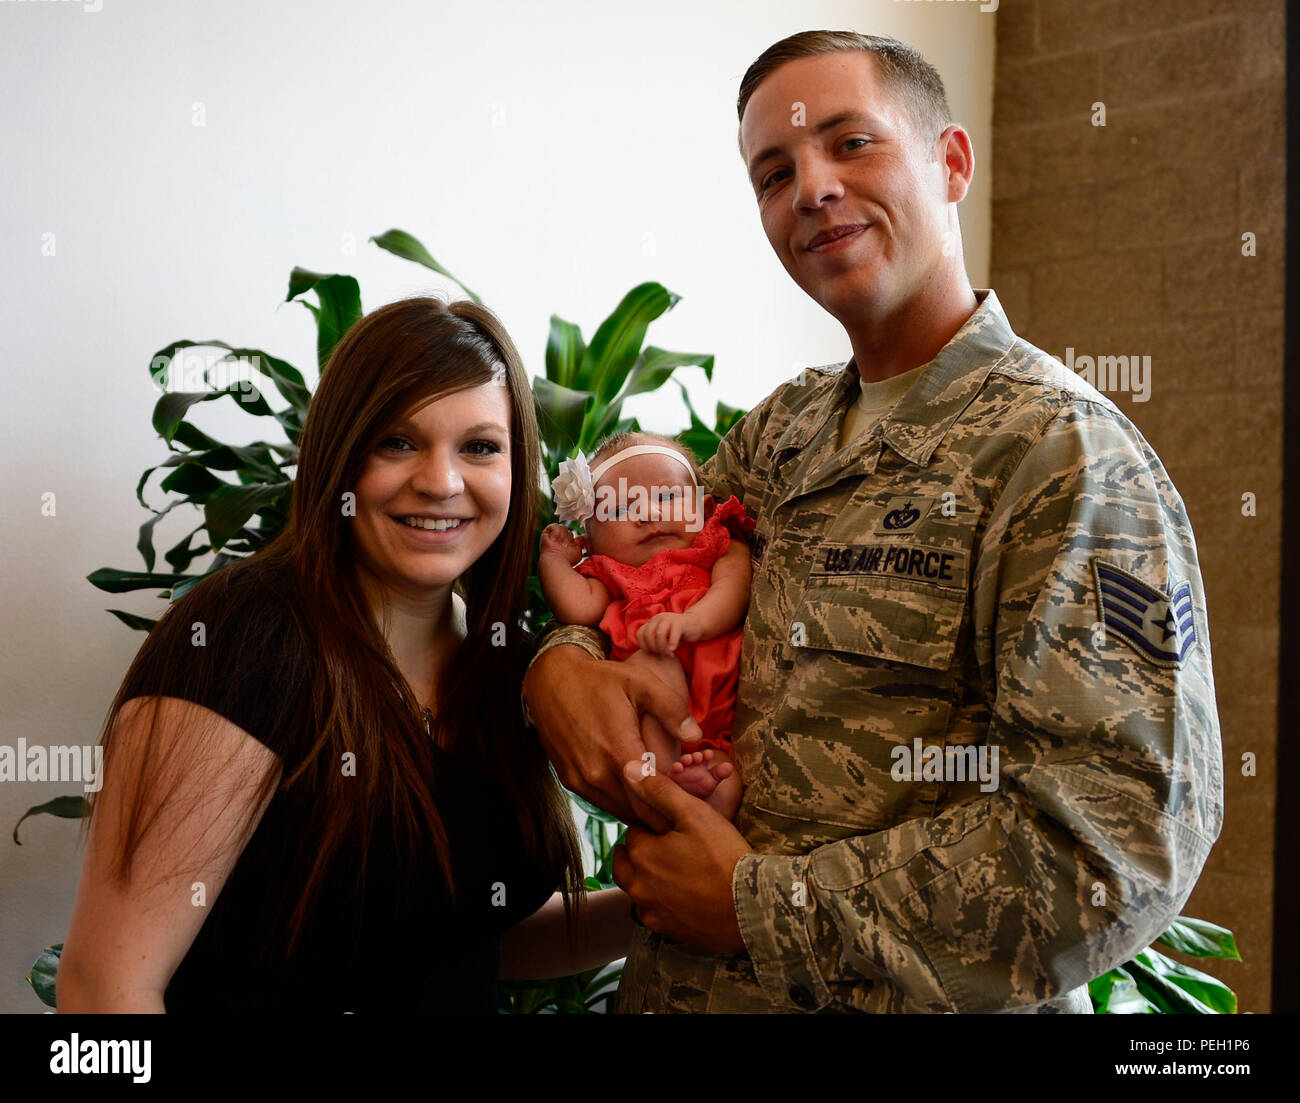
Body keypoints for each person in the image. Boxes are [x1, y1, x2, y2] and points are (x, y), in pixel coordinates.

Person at [522, 30, 1225, 1013]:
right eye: (774, 171)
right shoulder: (782, 433)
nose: (810, 187)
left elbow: (1117, 843)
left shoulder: (1062, 455)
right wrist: (559, 660)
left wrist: (761, 906)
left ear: (950, 163)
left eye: (850, 143)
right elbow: (641, 568)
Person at [57, 296, 634, 1013]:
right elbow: (101, 988)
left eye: (480, 446)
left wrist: (655, 906)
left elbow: (463, 940)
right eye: (398, 441)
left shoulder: (503, 663)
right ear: (340, 456)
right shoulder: (245, 638)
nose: (441, 480)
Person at [538, 432, 753, 818]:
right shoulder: (610, 573)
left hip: (722, 700)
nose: (648, 513)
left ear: (703, 509)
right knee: (651, 664)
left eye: (669, 498)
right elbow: (577, 608)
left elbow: (732, 591)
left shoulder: (716, 544)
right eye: (619, 510)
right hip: (654, 703)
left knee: (726, 780)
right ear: (592, 538)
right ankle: (664, 777)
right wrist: (555, 560)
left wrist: (693, 622)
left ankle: (697, 806)